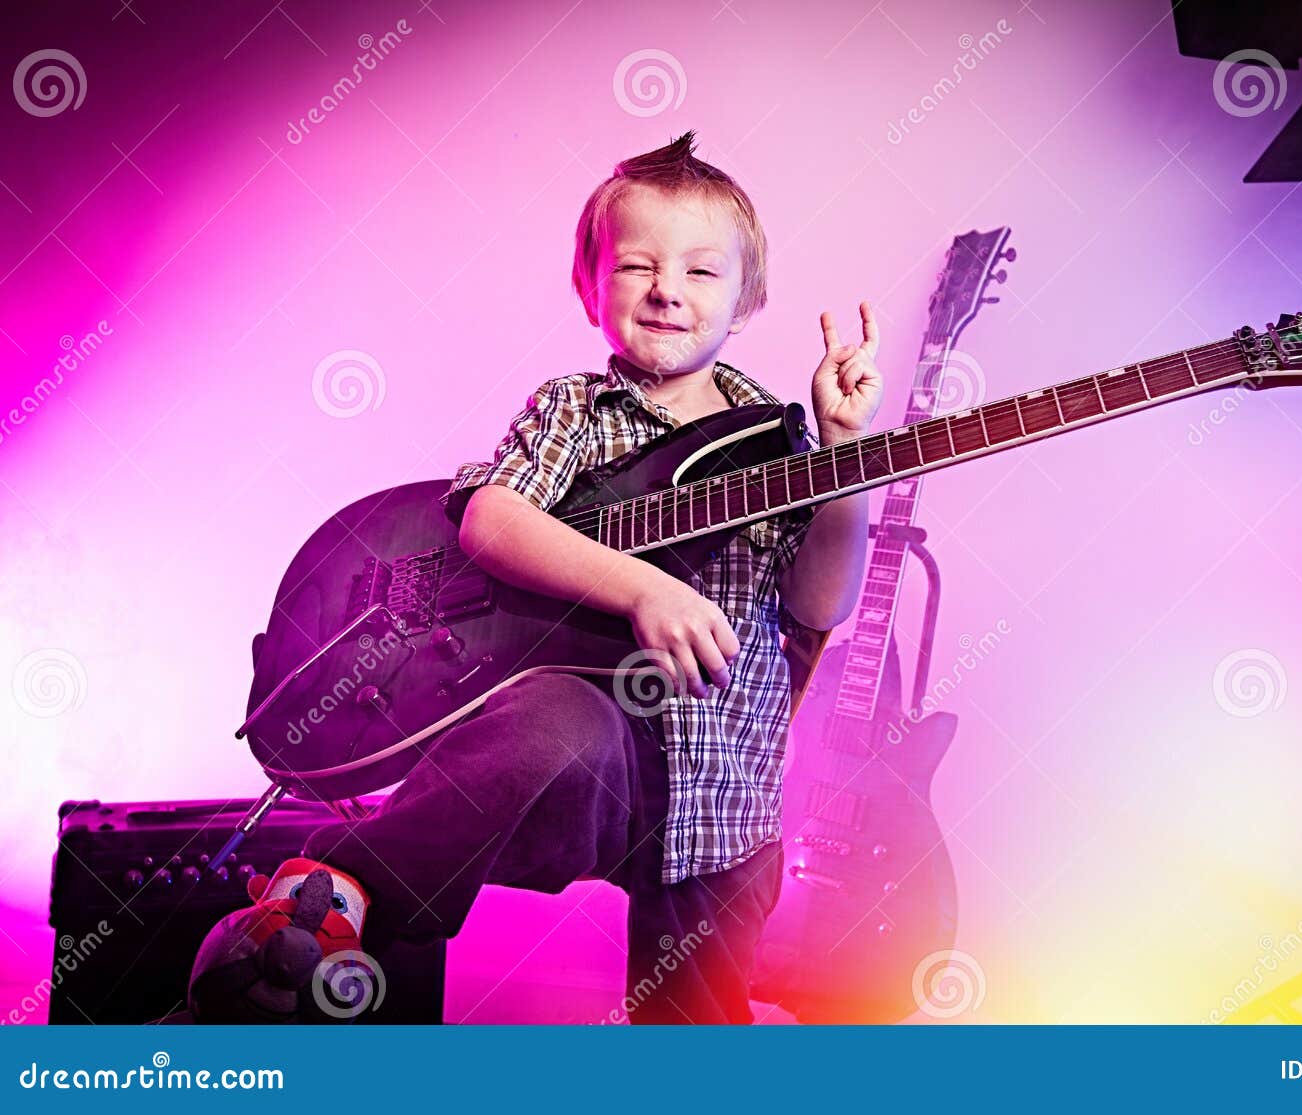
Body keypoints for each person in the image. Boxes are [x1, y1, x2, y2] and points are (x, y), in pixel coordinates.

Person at [190, 131, 883, 1024]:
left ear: (748, 300)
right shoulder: (574, 409)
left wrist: (844, 454)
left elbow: (819, 602)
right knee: (553, 719)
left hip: (725, 798)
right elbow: (493, 517)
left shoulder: (775, 442)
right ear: (589, 287)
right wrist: (642, 587)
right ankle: (341, 884)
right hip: (591, 767)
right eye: (637, 265)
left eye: (702, 273)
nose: (668, 288)